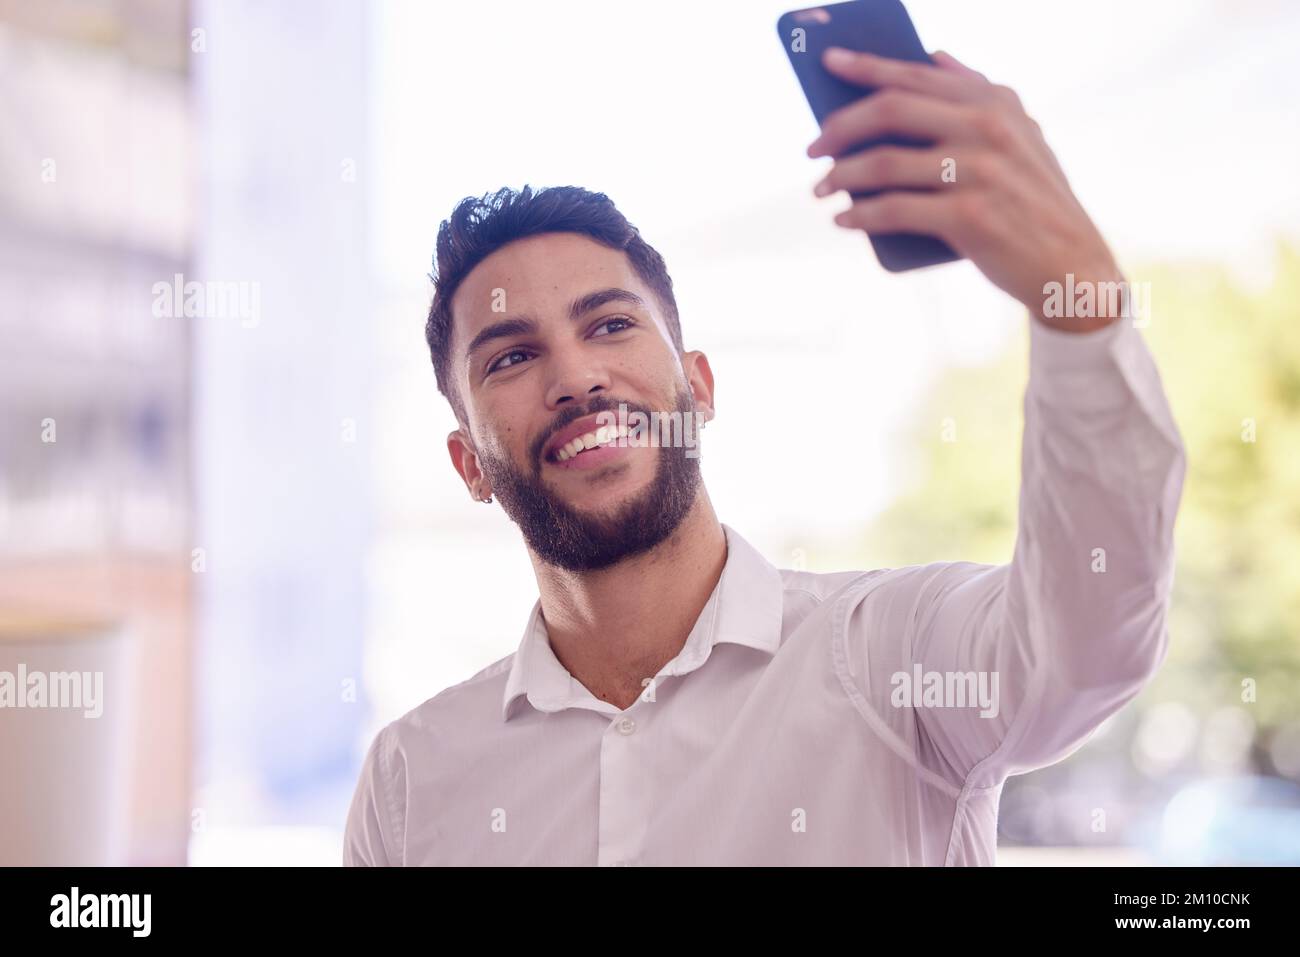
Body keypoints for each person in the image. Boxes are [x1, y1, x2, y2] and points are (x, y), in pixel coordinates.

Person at [344, 48, 1186, 865]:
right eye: (511, 358)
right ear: (470, 466)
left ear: (699, 388)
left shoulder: (893, 658)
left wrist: (1076, 298)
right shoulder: (411, 781)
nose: (575, 376)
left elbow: (1084, 648)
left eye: (610, 324)